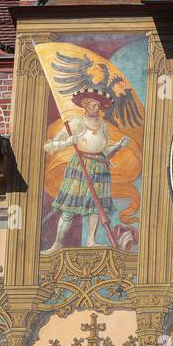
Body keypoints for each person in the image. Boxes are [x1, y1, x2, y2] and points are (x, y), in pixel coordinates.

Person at [43, 89, 129, 253]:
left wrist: (118, 146)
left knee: (95, 208)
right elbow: (50, 145)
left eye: (98, 106)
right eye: (93, 105)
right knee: (69, 208)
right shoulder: (76, 123)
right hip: (80, 166)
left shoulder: (103, 126)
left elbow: (104, 150)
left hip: (99, 167)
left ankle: (91, 241)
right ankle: (57, 244)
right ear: (85, 105)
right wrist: (68, 141)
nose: (96, 108)